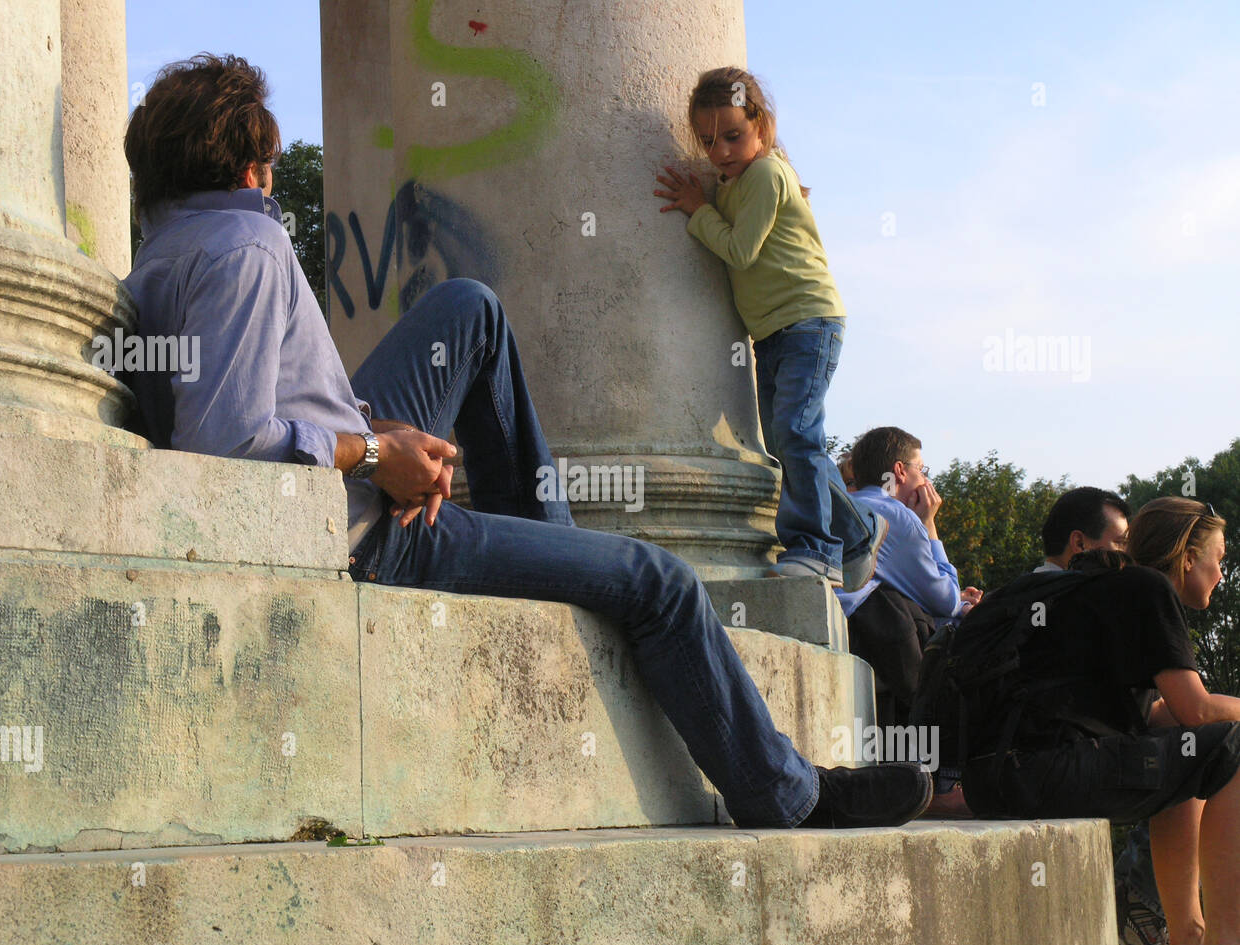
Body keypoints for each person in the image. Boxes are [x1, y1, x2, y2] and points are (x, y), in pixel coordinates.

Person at [117, 54, 932, 834]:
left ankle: (555, 554)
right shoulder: (249, 248)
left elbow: (252, 396)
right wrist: (376, 458)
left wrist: (371, 425)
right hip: (365, 530)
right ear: (253, 167)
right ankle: (787, 793)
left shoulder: (161, 252)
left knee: (468, 308)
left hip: (344, 463)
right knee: (660, 581)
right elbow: (224, 447)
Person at [960, 498, 1239, 945]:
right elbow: (1195, 707)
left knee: (1198, 749)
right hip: (1040, 769)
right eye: (1221, 556)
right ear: (1188, 557)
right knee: (1229, 742)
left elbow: (1158, 718)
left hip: (1010, 769)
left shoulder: (1105, 586)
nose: (1222, 571)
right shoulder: (1147, 589)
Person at [654, 67, 884, 591]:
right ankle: (859, 532)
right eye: (708, 140)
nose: (720, 151)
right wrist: (708, 200)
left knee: (798, 434)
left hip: (809, 319)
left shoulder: (764, 175)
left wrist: (697, 210)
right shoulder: (733, 181)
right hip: (776, 331)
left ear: (764, 127)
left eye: (733, 135)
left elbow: (739, 248)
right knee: (787, 440)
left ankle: (816, 549)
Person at [1032, 489, 1163, 945]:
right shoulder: (1083, 602)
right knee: (1210, 754)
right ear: (1080, 544)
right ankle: (1144, 903)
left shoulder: (1027, 595)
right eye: (1120, 541)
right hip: (1063, 763)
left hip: (1033, 762)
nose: (1127, 554)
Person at [835, 427, 980, 726]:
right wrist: (929, 526)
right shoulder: (899, 518)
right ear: (900, 471)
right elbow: (945, 601)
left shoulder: (849, 506)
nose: (926, 480)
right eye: (922, 469)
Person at [1035, 486, 1130, 573]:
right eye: (1120, 542)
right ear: (1079, 543)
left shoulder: (1029, 587)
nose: (1128, 552)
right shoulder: (1085, 590)